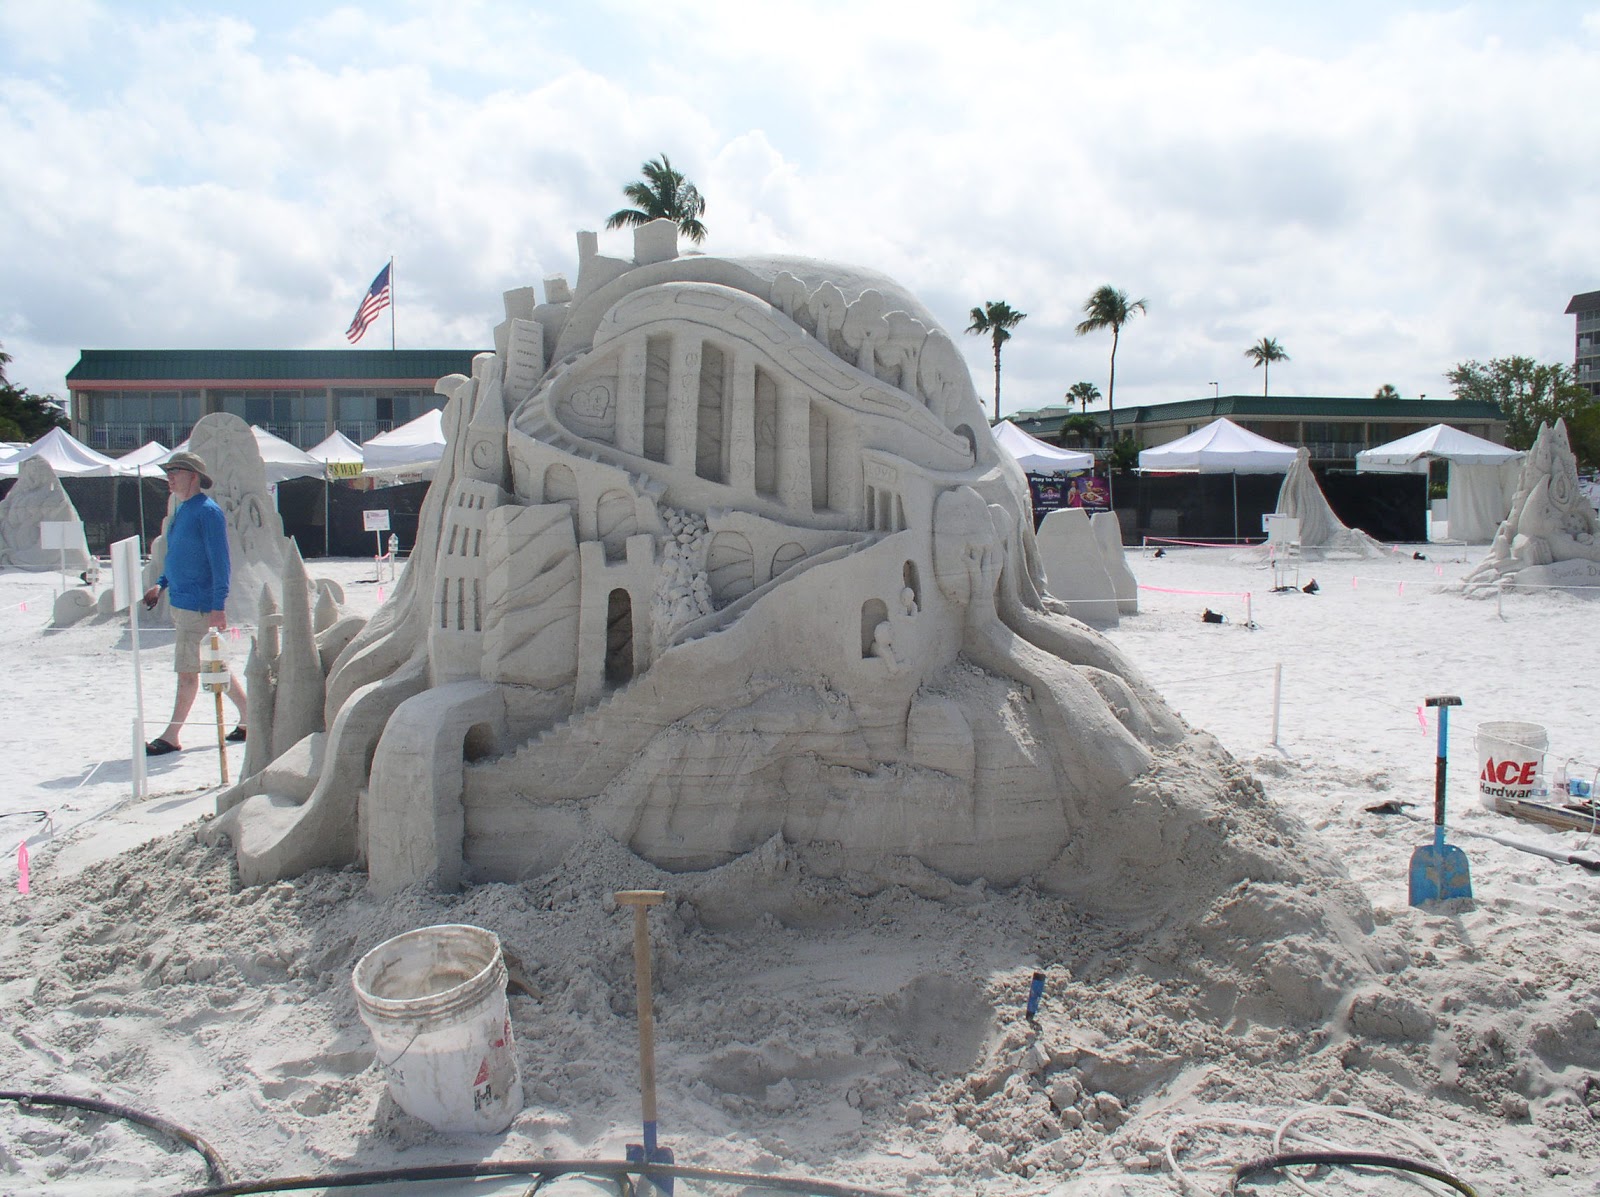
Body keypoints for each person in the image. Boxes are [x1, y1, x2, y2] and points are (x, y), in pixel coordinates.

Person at [141, 450, 247, 755]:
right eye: (168, 472)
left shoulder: (207, 512)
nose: (169, 478)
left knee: (188, 672)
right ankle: (250, 716)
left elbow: (221, 563)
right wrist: (160, 585)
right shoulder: (183, 510)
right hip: (183, 603)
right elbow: (177, 558)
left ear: (195, 477)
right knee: (213, 664)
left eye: (176, 472)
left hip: (199, 605)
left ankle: (171, 735)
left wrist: (218, 606)